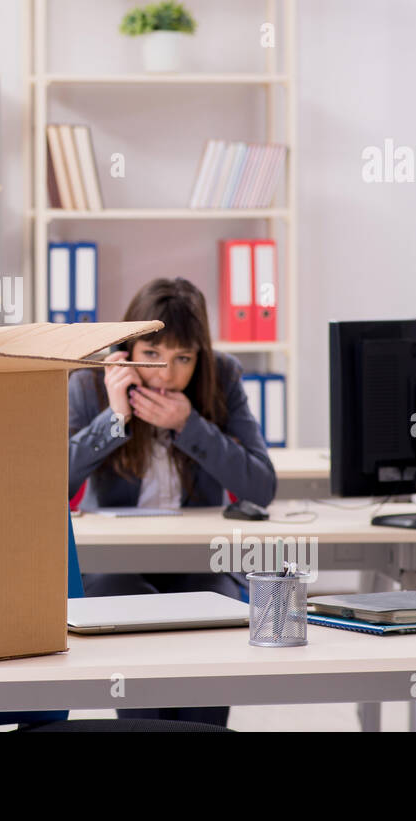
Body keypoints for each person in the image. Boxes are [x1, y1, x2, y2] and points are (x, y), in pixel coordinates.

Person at [68, 276, 276, 727]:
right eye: (152, 356)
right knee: (123, 606)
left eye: (183, 358)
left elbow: (261, 487)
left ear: (200, 356)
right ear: (127, 351)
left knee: (218, 611)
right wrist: (115, 417)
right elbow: (51, 486)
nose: (167, 374)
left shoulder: (222, 376)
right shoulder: (89, 384)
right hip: (117, 563)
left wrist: (192, 426)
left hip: (198, 559)